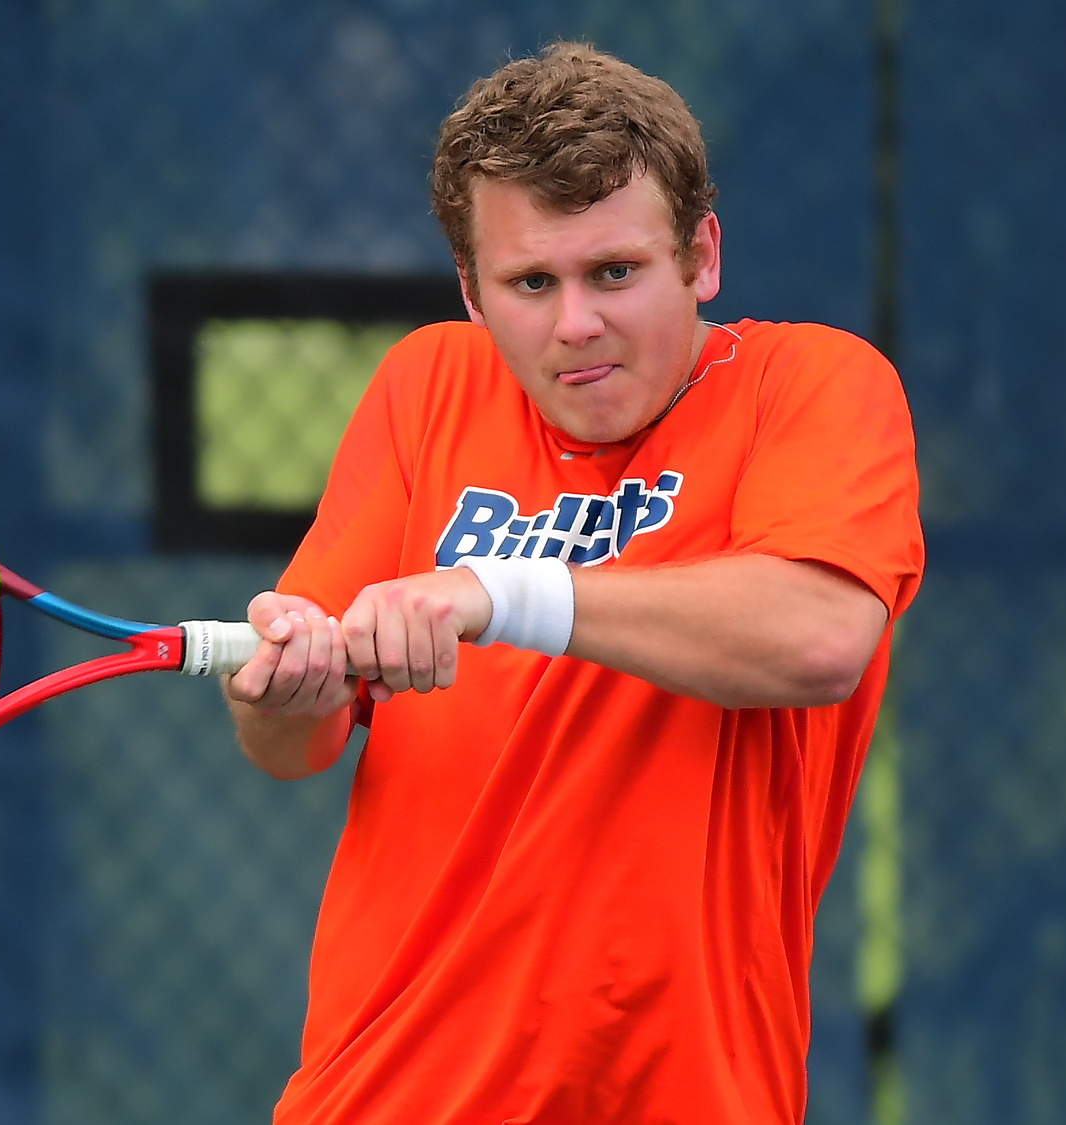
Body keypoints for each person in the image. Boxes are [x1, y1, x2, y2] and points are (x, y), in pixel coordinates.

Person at [224, 42, 924, 1124]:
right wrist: (285, 690)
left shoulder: (814, 388)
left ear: (701, 256)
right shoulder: (423, 387)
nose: (575, 325)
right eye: (529, 283)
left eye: (614, 273)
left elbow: (817, 637)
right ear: (470, 290)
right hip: (383, 1096)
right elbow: (287, 743)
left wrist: (497, 594)